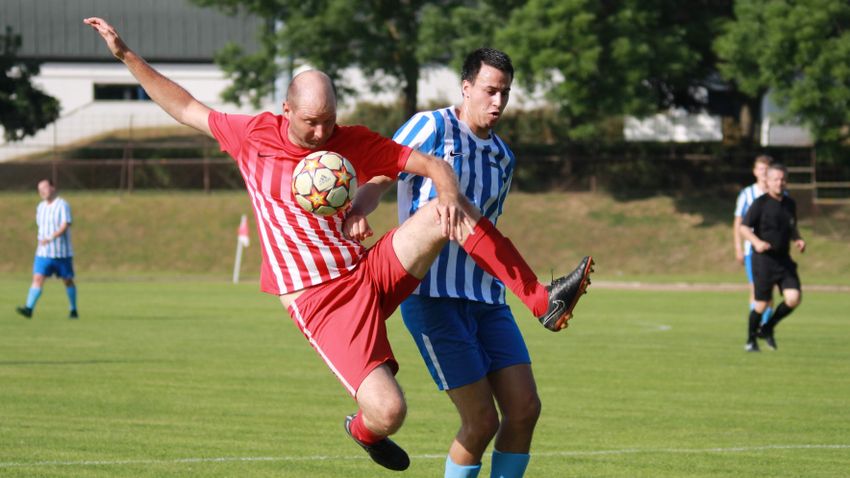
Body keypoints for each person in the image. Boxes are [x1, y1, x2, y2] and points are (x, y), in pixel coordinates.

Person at [84, 18, 594, 472]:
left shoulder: (350, 139)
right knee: (390, 412)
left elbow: (433, 165)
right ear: (287, 111)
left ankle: (540, 299)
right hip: (320, 300)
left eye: (330, 119)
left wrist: (425, 192)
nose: (323, 130)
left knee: (443, 210)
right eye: (311, 122)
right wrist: (127, 56)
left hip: (368, 269)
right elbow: (186, 106)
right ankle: (363, 430)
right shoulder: (252, 137)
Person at [388, 48, 591, 478]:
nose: (497, 102)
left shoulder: (503, 157)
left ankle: (541, 300)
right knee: (480, 422)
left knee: (524, 409)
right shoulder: (431, 126)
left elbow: (488, 234)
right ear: (466, 87)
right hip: (433, 298)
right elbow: (380, 173)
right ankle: (541, 299)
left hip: (486, 299)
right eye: (489, 91)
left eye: (505, 93)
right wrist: (356, 211)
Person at [739, 163, 805, 352]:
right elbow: (744, 227)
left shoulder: (790, 203)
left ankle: (767, 328)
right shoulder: (760, 203)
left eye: (783, 179)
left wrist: (798, 238)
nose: (780, 182)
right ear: (767, 181)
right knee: (761, 303)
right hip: (763, 260)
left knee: (793, 298)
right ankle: (751, 340)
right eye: (775, 179)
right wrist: (757, 242)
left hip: (784, 260)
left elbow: (791, 226)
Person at [16, 179, 79, 320]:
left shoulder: (62, 205)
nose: (42, 192)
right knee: (37, 278)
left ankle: (73, 309)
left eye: (44, 188)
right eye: (39, 189)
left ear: (52, 188)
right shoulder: (40, 207)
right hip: (43, 253)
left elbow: (65, 225)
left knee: (67, 280)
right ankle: (29, 308)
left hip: (61, 253)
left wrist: (50, 237)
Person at [733, 155, 774, 326]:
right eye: (760, 169)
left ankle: (765, 327)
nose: (764, 173)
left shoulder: (779, 193)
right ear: (755, 172)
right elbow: (738, 222)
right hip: (752, 250)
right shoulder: (747, 194)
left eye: (767, 169)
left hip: (774, 251)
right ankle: (755, 327)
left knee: (769, 293)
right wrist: (738, 248)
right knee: (756, 289)